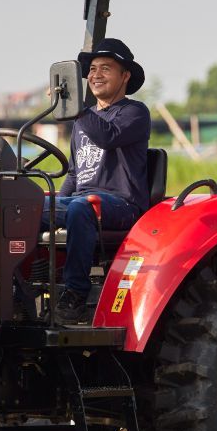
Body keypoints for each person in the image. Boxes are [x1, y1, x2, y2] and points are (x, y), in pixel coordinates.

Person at [47, 37, 150, 323]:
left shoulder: (134, 112)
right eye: (92, 69)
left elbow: (108, 137)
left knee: (82, 208)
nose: (95, 75)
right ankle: (17, 288)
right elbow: (74, 173)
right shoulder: (86, 118)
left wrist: (75, 108)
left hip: (122, 204)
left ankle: (76, 293)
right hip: (82, 200)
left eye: (106, 68)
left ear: (125, 76)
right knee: (21, 206)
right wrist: (53, 200)